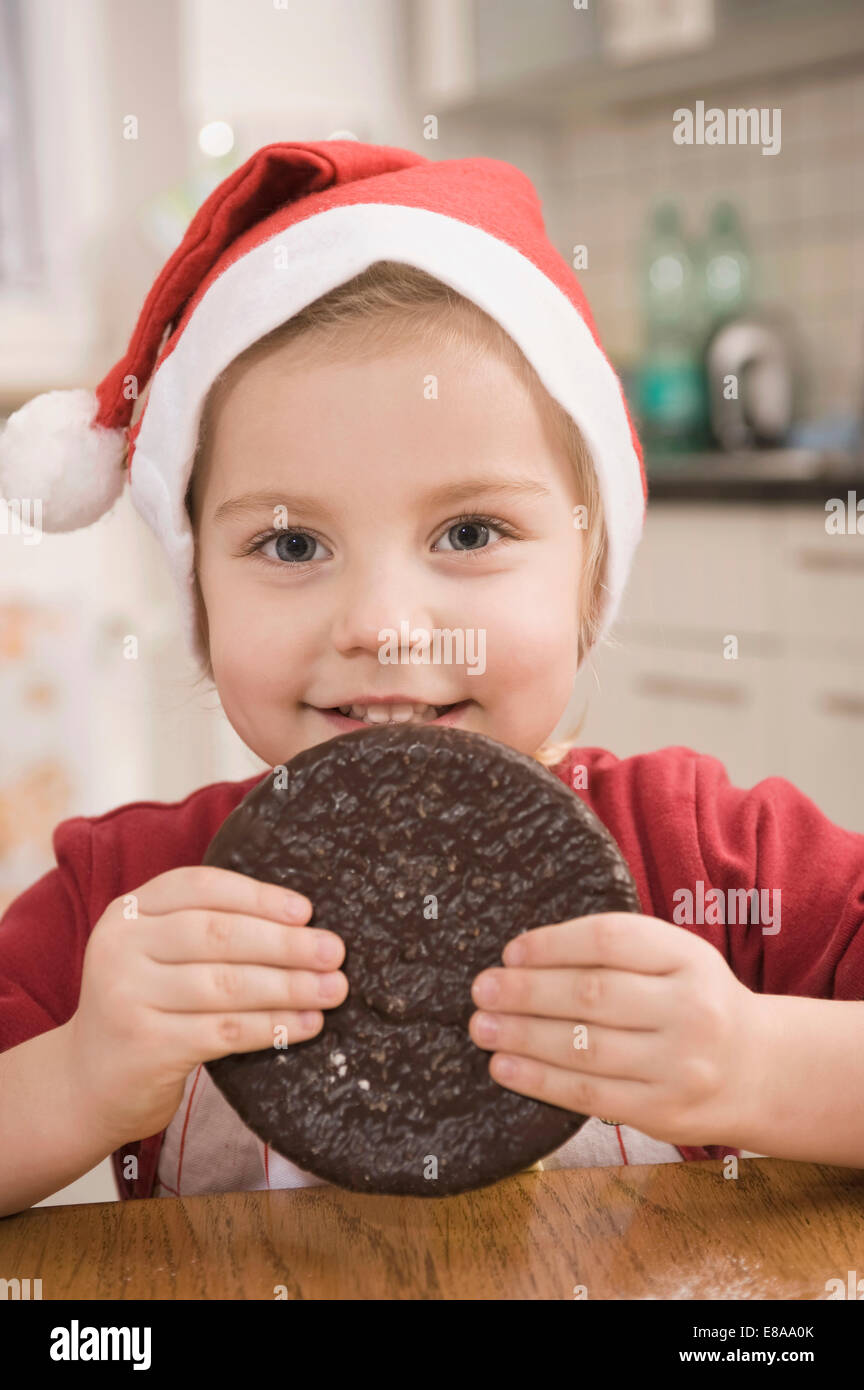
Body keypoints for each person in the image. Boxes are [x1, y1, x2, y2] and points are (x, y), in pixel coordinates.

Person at [0, 141, 862, 1216]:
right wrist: (75, 1077)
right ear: (200, 597)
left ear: (590, 578)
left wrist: (761, 1059)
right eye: (291, 545)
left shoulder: (715, 858)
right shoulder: (122, 899)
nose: (384, 626)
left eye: (469, 529)